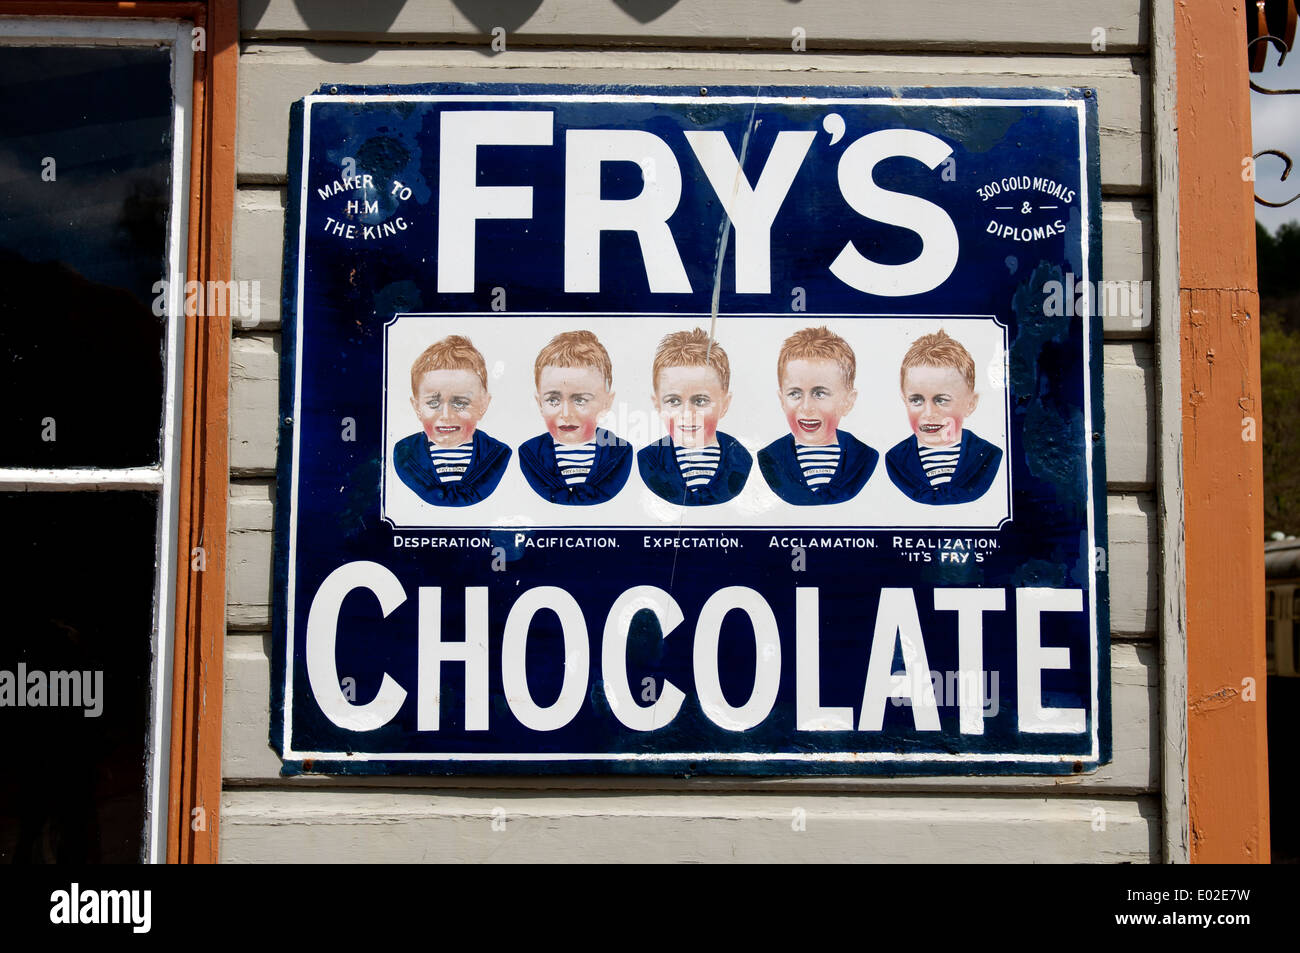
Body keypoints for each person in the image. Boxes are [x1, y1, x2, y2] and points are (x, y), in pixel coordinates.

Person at [757, 326, 877, 505]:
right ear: (782, 400)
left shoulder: (864, 458)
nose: (806, 407)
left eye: (820, 393)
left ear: (848, 401)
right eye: (795, 394)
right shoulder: (771, 459)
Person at [885, 329, 1003, 505]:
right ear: (904, 400)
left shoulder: (987, 455)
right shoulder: (896, 461)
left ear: (970, 404)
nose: (928, 413)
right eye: (916, 400)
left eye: (941, 400)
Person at [392, 334, 510, 507]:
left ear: (483, 404)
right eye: (433, 403)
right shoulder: (405, 454)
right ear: (416, 406)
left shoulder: (497, 454)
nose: (446, 415)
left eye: (460, 403)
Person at [637, 327, 751, 506]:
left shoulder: (741, 458)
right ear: (657, 405)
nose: (687, 414)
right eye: (674, 401)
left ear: (725, 404)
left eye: (700, 401)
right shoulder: (649, 460)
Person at [517, 330, 631, 505]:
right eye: (553, 400)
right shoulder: (530, 453)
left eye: (580, 400)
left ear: (606, 403)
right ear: (540, 403)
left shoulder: (619, 452)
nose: (566, 413)